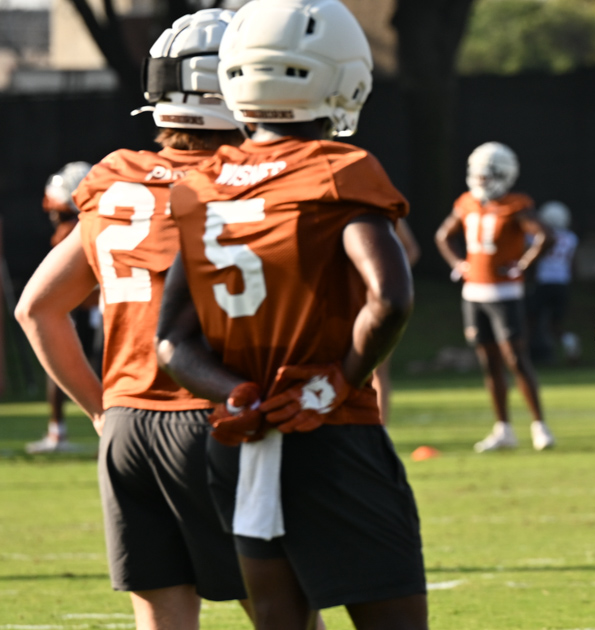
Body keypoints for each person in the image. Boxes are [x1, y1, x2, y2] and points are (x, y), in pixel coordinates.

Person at [154, 1, 426, 627]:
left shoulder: (198, 187)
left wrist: (241, 394)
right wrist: (336, 383)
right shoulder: (340, 171)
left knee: (281, 621)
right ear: (340, 73)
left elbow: (171, 342)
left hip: (241, 438)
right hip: (331, 436)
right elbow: (391, 297)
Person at [15, 10, 251, 628]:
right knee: (283, 609)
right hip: (218, 414)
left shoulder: (115, 179)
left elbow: (36, 308)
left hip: (128, 427)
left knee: (164, 619)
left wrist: (100, 408)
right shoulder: (244, 188)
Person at [435, 141, 555, 452]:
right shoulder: (466, 202)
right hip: (473, 292)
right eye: (478, 175)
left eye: (487, 176)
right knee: (488, 363)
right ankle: (503, 429)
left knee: (515, 358)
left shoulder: (516, 204)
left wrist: (524, 265)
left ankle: (539, 425)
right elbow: (442, 235)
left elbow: (545, 235)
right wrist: (458, 264)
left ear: (502, 175)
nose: (481, 181)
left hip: (504, 293)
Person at [26, 160, 100, 454]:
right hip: (85, 306)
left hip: (99, 306)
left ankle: (67, 429)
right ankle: (60, 431)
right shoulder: (79, 226)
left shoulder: (78, 229)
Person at [373, 218, 421, 424]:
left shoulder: (384, 207)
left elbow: (412, 250)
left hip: (375, 300)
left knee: (377, 369)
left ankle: (379, 430)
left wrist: (386, 277)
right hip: (341, 301)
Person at [528, 200, 579, 364]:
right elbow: (572, 264)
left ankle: (535, 354)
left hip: (543, 282)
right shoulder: (571, 238)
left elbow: (532, 260)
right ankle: (569, 344)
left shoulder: (537, 236)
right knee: (555, 324)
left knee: (532, 321)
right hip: (562, 284)